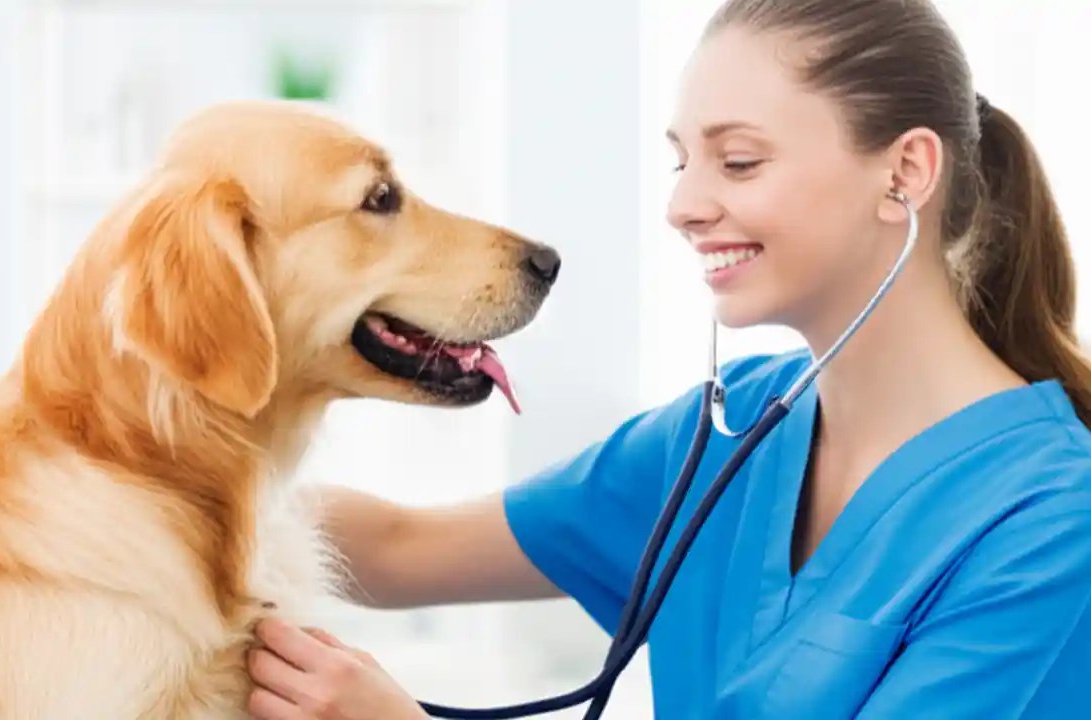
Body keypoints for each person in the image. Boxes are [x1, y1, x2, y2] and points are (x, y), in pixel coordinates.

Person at [246, 0, 1091, 718]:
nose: (683, 207)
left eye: (739, 161)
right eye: (682, 160)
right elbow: (398, 547)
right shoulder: (726, 434)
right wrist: (168, 472)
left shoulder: (1051, 521)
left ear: (906, 172)